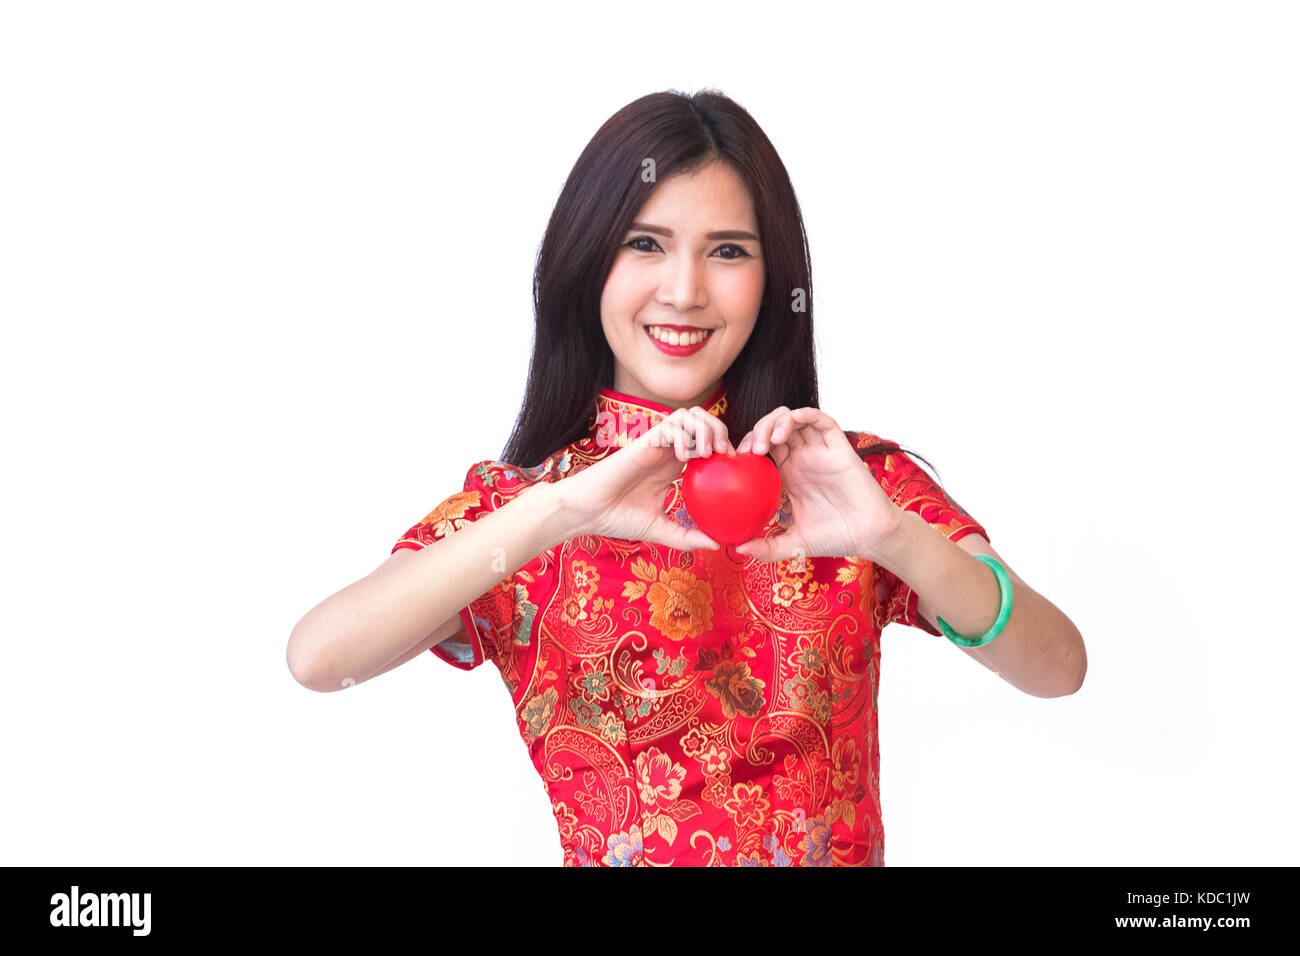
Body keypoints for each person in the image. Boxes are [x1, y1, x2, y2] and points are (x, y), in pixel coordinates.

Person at [286, 89, 1087, 867]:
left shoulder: (849, 484)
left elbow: (1057, 669)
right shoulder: (527, 512)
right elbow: (321, 658)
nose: (685, 291)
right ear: (585, 262)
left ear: (773, 280)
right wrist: (557, 510)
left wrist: (893, 539)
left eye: (729, 250)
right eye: (645, 243)